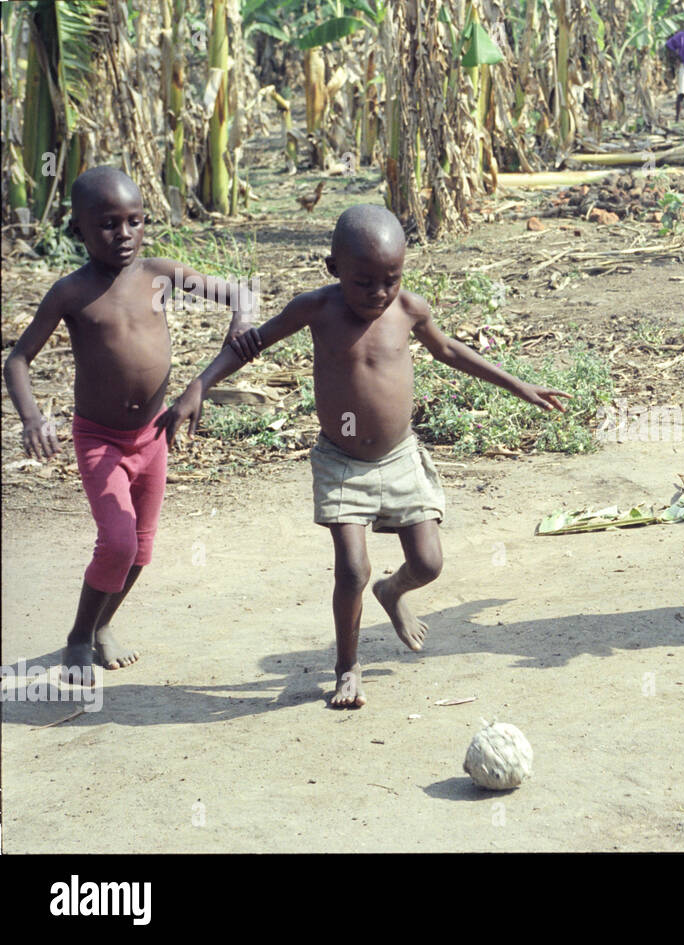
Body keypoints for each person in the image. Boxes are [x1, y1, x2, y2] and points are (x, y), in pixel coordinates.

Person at [163, 205, 570, 708]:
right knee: (352, 570)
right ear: (333, 269)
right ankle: (347, 666)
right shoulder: (314, 309)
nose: (379, 293)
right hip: (341, 461)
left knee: (428, 563)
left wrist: (517, 384)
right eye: (364, 282)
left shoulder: (409, 310)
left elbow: (450, 351)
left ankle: (393, 592)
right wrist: (198, 386)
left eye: (390, 279)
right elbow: (251, 344)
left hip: (399, 457)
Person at [2, 166, 259, 684]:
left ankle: (102, 627)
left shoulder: (157, 274)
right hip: (100, 439)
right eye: (107, 224)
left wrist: (242, 320)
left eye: (134, 221)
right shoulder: (70, 293)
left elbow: (240, 293)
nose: (123, 235)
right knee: (117, 542)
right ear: (78, 228)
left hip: (155, 434)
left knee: (141, 548)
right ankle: (78, 636)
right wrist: (32, 418)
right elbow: (17, 360)